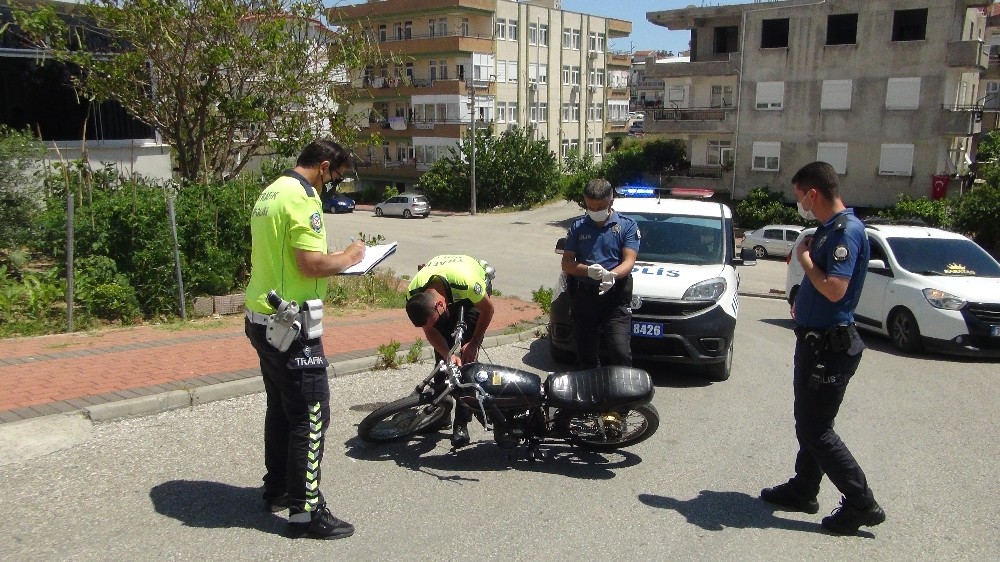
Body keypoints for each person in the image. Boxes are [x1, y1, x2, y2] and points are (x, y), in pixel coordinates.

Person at [244, 139, 366, 540]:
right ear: (324, 166)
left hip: (262, 318)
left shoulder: (271, 191)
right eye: (336, 177)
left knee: (281, 409)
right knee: (312, 415)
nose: (333, 185)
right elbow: (310, 263)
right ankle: (306, 512)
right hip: (291, 325)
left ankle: (278, 486)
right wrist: (350, 256)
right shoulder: (301, 197)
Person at [760, 161, 886, 535]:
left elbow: (835, 288)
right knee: (808, 422)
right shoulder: (828, 229)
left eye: (801, 197)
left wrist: (805, 261)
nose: (800, 203)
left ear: (813, 193)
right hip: (814, 342)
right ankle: (804, 488)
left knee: (818, 430)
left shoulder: (847, 232)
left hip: (831, 347)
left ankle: (861, 503)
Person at [405, 255, 495, 448]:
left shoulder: (468, 284)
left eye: (436, 318)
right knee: (445, 359)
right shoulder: (414, 292)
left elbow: (488, 311)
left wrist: (473, 343)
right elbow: (430, 329)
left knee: (465, 361)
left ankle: (461, 423)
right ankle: (441, 413)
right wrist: (448, 354)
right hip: (445, 293)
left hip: (470, 296)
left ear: (440, 305)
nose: (435, 323)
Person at [560, 178, 639, 370]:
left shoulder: (627, 226)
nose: (595, 211)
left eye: (600, 207)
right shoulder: (577, 227)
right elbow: (567, 263)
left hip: (615, 298)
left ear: (611, 202)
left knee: (619, 351)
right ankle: (592, 396)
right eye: (591, 207)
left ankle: (625, 396)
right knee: (585, 354)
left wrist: (612, 275)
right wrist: (587, 270)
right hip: (584, 298)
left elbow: (629, 260)